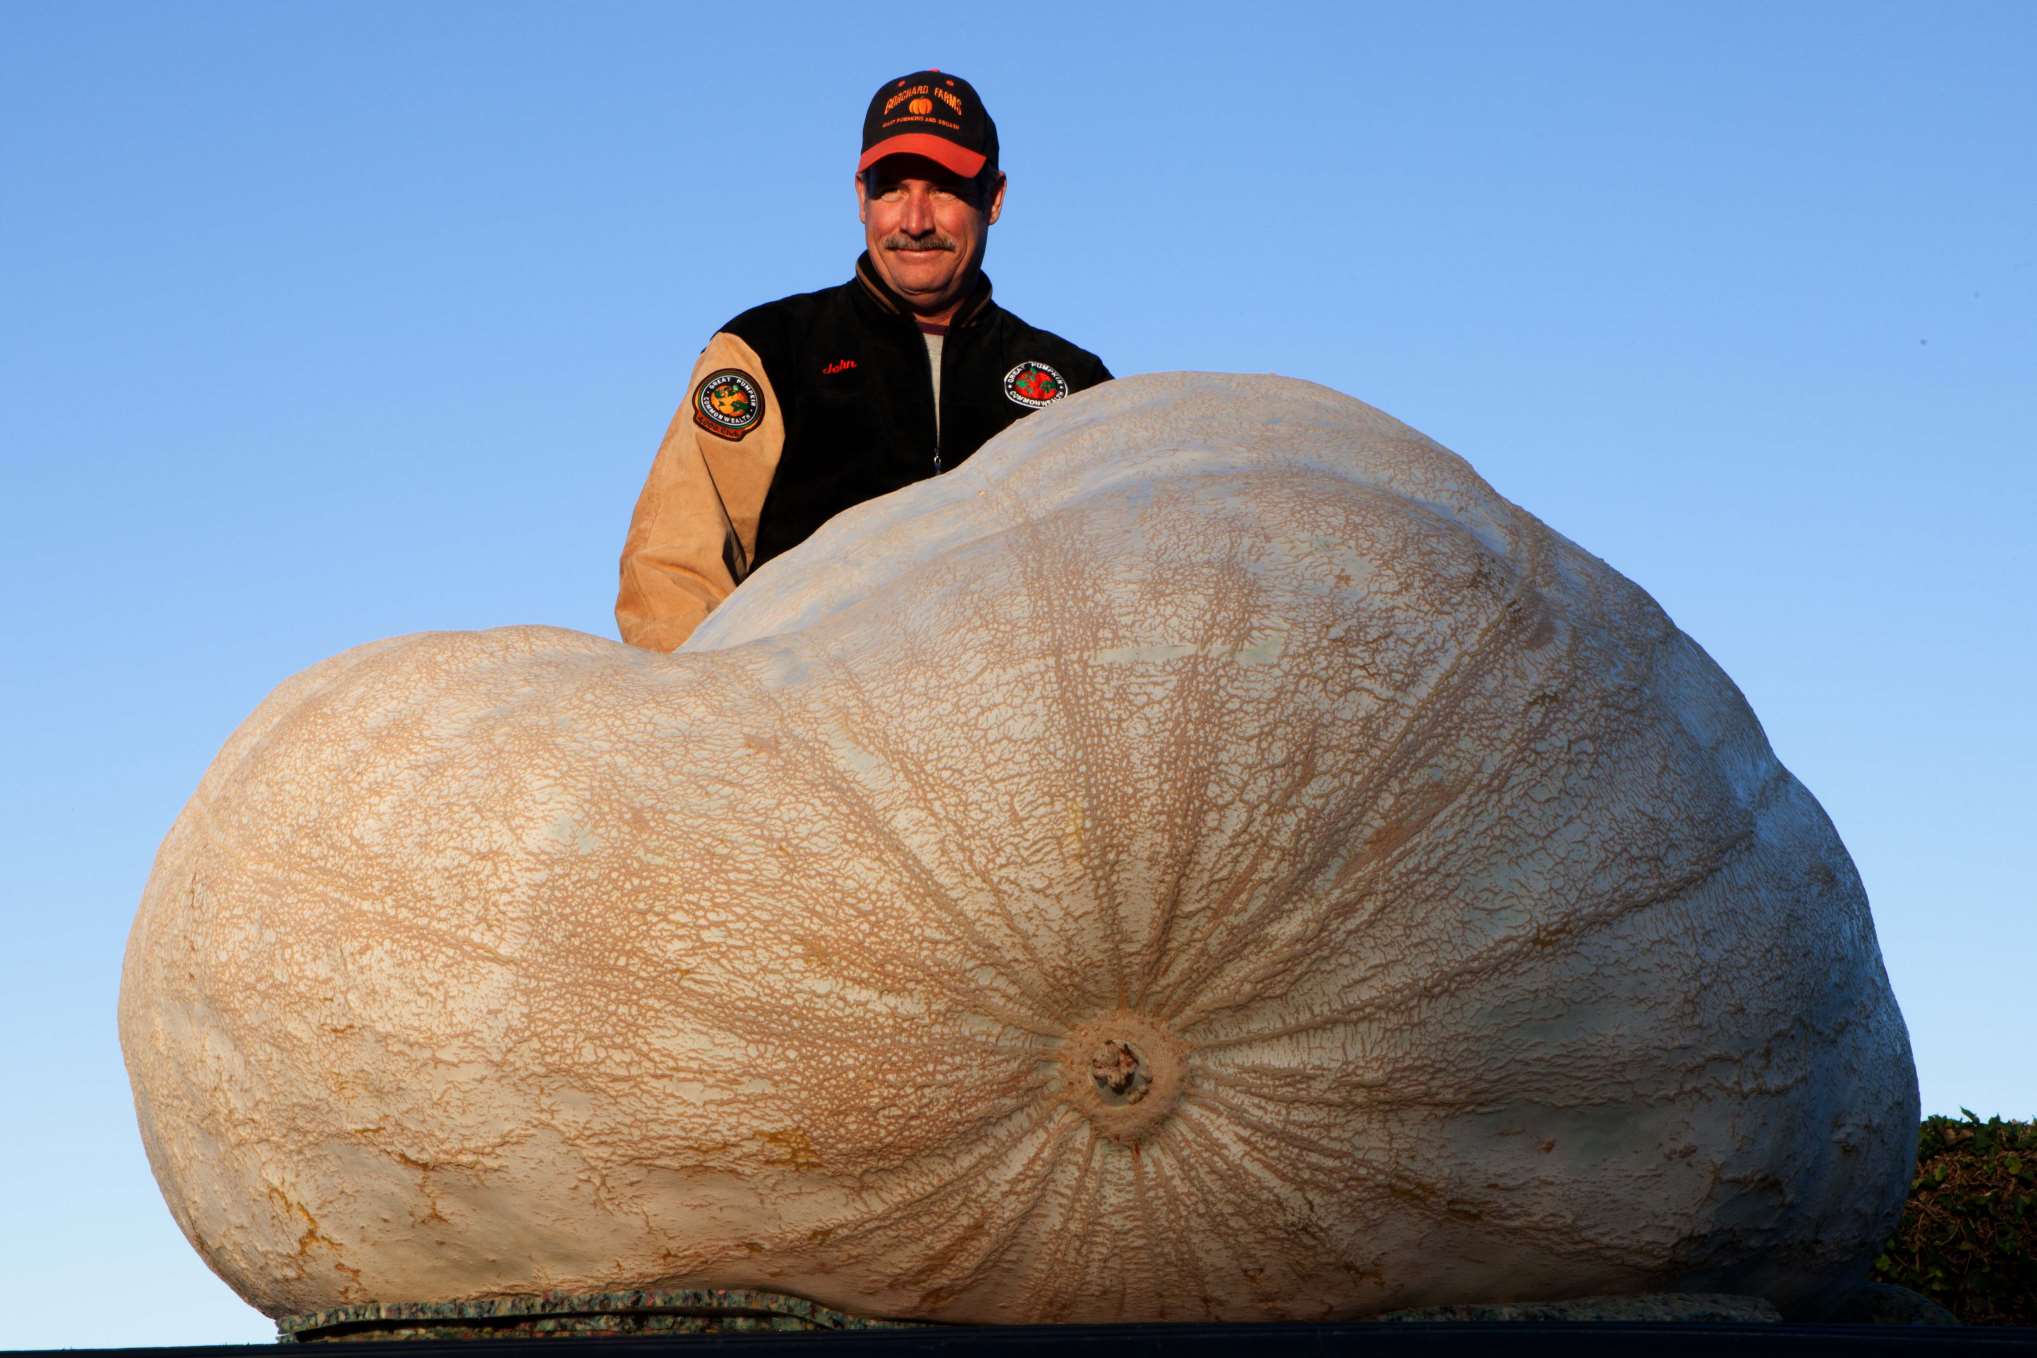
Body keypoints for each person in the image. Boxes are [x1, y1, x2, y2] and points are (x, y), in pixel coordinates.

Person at [615, 69, 1112, 652]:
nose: (915, 222)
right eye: (892, 189)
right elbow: (671, 570)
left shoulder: (1077, 385)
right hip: (802, 703)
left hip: (1013, 701)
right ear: (860, 196)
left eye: (944, 189)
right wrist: (708, 701)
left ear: (994, 197)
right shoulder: (768, 350)